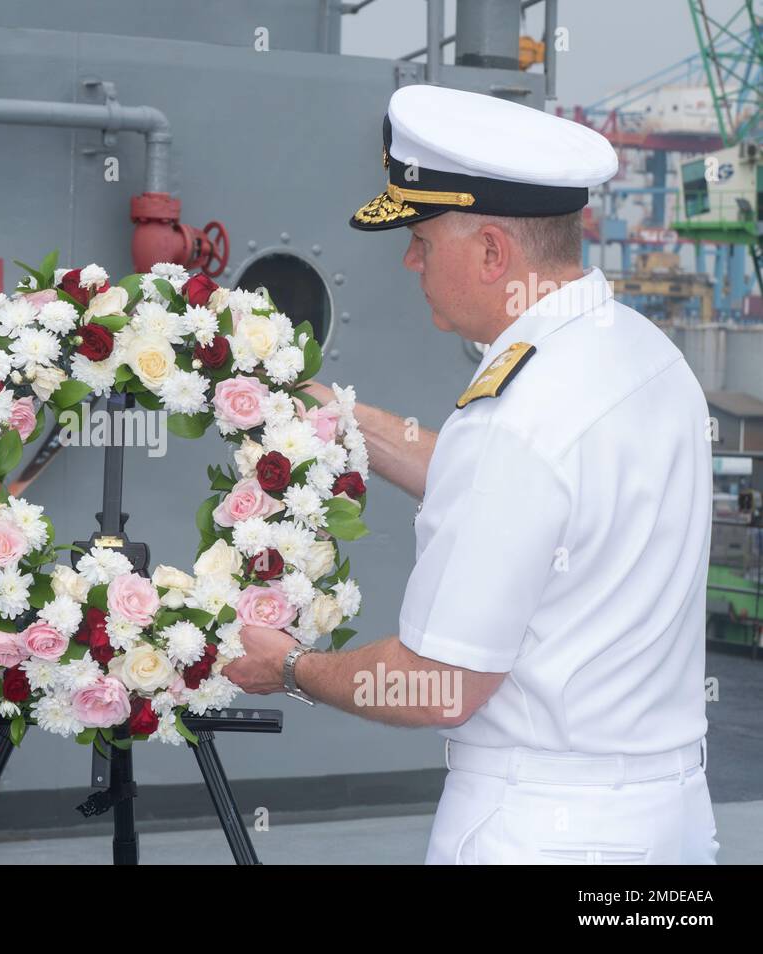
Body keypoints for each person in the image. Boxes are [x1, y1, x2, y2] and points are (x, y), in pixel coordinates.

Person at [223, 85, 719, 864]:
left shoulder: (517, 417)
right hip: (668, 820)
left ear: (492, 252)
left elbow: (439, 685)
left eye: (421, 237)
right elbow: (523, 492)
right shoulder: (639, 354)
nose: (409, 258)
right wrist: (340, 419)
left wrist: (290, 667)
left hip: (543, 828)